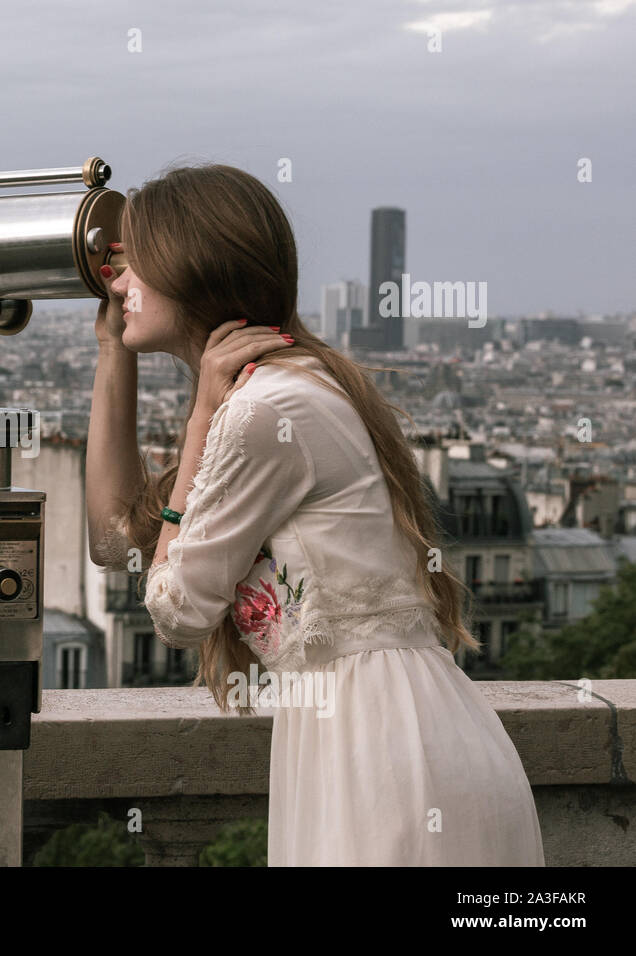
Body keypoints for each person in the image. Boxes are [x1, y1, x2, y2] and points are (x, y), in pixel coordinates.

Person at [86, 162, 544, 866]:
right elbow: (120, 540)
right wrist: (111, 353)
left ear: (190, 266)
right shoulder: (285, 387)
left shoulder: (262, 410)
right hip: (389, 736)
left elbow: (176, 608)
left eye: (129, 263)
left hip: (378, 753)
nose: (115, 282)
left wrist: (201, 421)